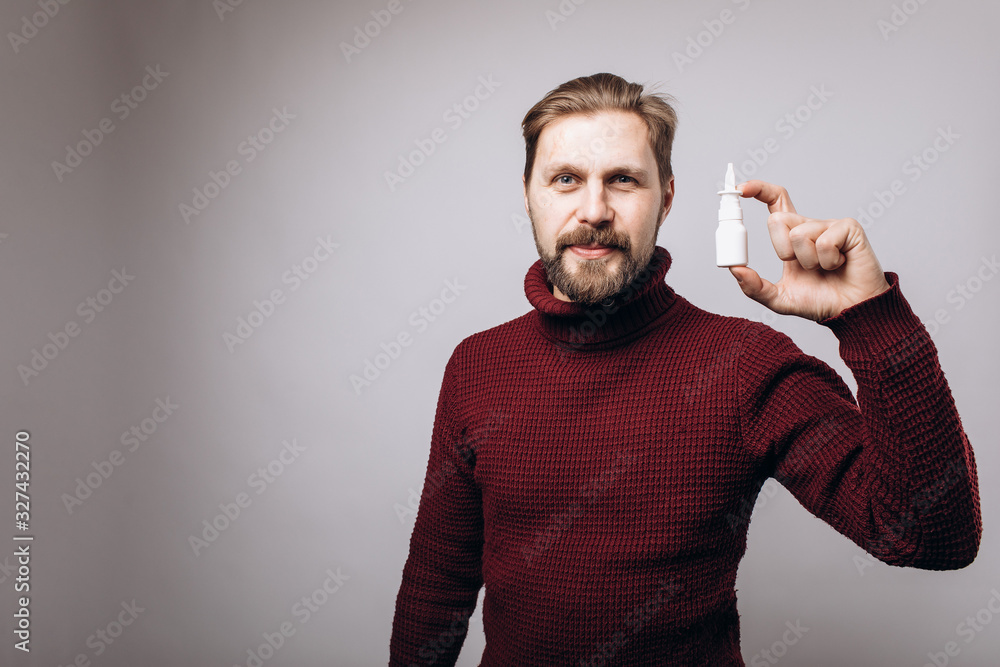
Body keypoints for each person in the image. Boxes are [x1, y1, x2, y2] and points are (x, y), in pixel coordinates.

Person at [388, 72, 981, 666]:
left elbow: (932, 536)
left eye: (623, 180)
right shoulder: (478, 365)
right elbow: (437, 585)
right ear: (527, 194)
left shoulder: (745, 365)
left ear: (666, 199)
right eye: (565, 179)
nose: (593, 211)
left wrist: (870, 319)